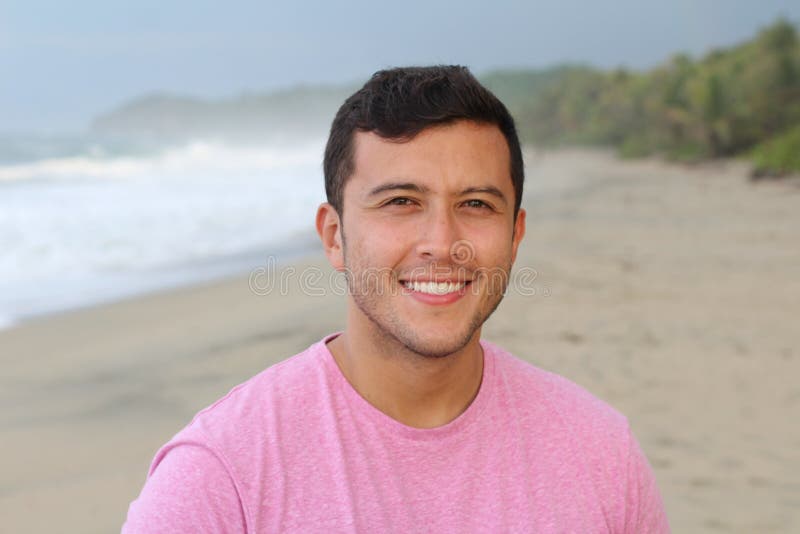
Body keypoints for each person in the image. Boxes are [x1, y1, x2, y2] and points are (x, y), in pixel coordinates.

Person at [123, 66, 670, 533]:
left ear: (515, 234)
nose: (441, 242)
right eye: (402, 201)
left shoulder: (600, 454)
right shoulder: (222, 474)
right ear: (334, 235)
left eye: (477, 204)